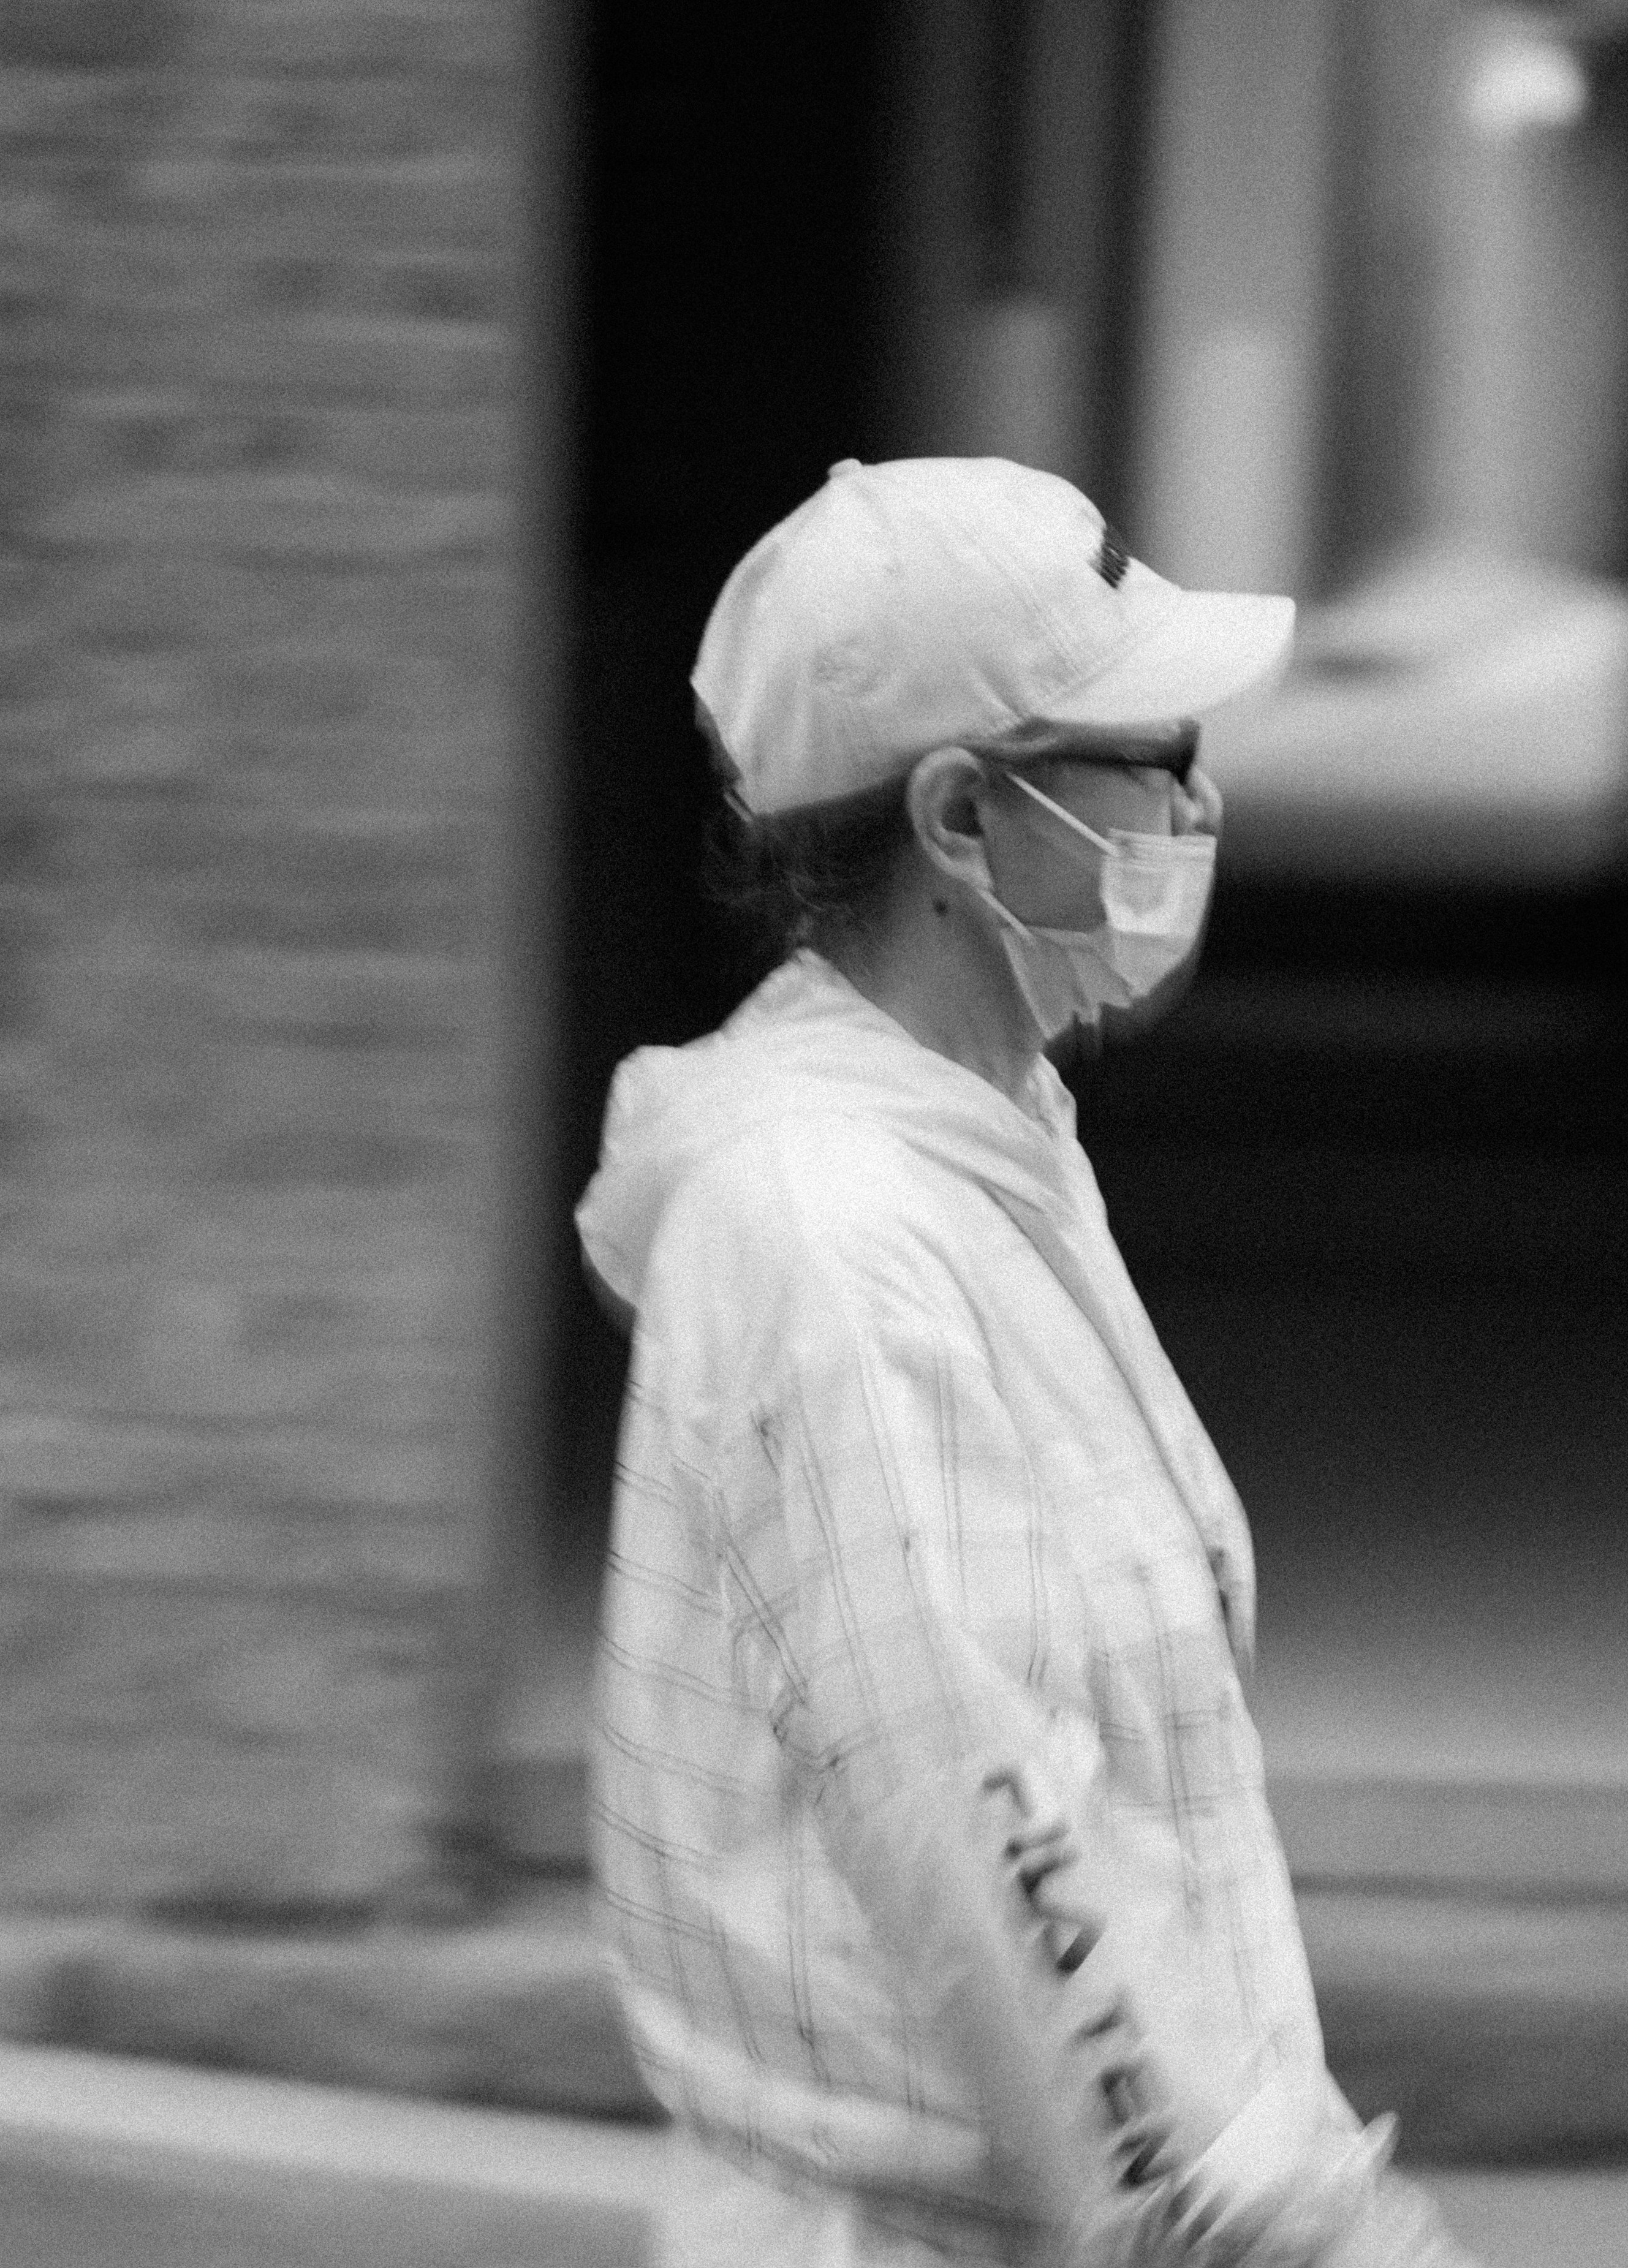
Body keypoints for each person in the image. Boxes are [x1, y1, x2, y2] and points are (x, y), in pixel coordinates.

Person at [575, 457, 1476, 2268]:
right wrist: (1228, 2212)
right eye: (1156, 755)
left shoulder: (987, 1145)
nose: (1199, 803)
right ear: (963, 817)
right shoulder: (832, 1234)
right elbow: (974, 1801)